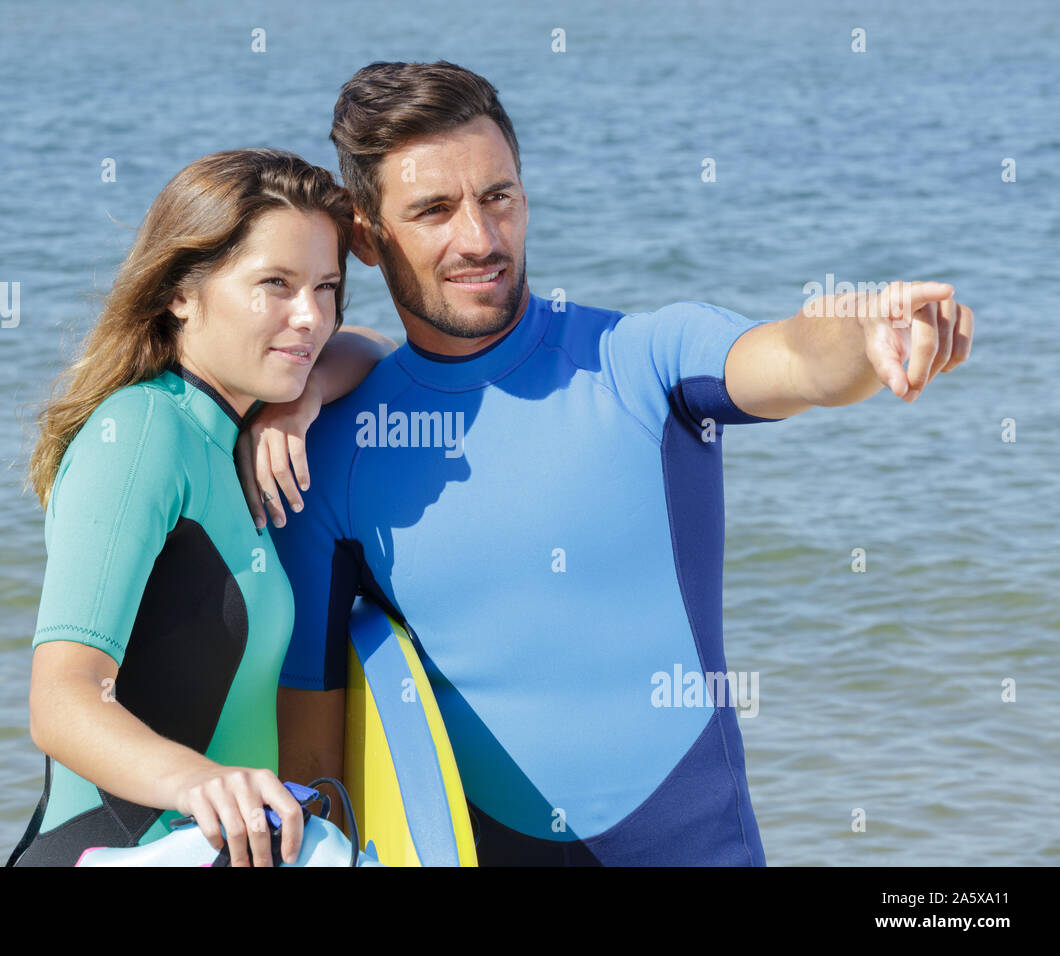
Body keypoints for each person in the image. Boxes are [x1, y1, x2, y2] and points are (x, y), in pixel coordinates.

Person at [238, 61, 976, 865]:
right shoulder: (325, 459)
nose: (480, 239)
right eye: (434, 211)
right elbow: (317, 769)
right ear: (369, 240)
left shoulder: (641, 360)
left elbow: (794, 359)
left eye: (499, 197)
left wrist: (861, 335)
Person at [7, 148, 395, 867]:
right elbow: (62, 699)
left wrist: (299, 402)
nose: (309, 316)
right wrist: (205, 784)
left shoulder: (229, 428)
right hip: (120, 855)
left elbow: (376, 348)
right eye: (274, 284)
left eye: (327, 286)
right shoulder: (143, 434)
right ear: (182, 292)